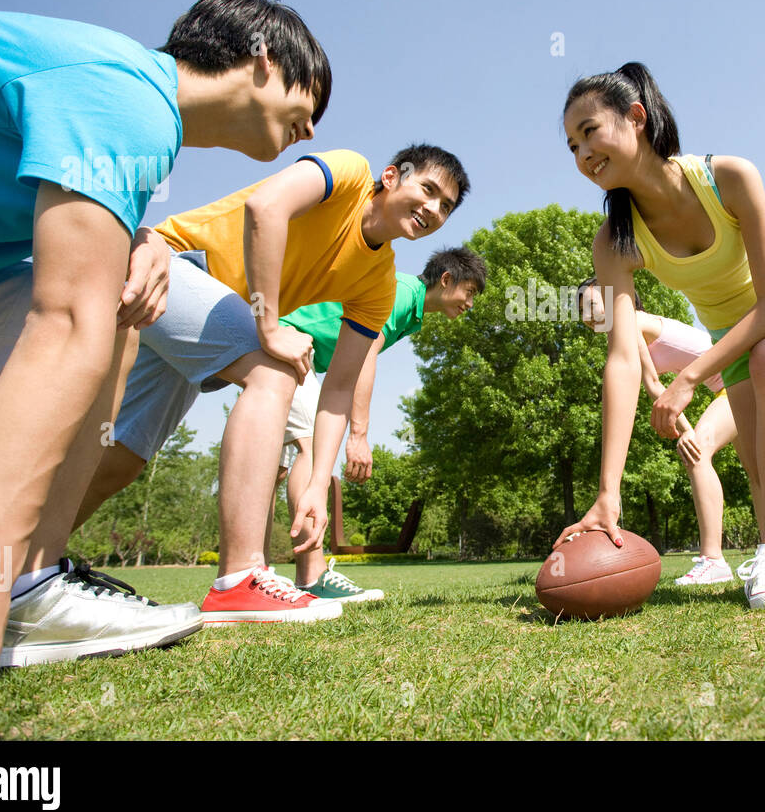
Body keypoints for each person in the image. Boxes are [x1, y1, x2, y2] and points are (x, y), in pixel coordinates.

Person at [0, 0, 330, 739]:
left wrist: (137, 240)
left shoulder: (121, 98)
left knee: (127, 289)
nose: (310, 127)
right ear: (264, 57)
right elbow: (66, 319)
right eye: (311, 99)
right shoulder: (128, 90)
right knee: (98, 302)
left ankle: (31, 583)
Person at [69, 144, 470, 624]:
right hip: (172, 266)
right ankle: (238, 580)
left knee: (123, 458)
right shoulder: (348, 172)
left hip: (201, 321)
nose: (433, 209)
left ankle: (22, 566)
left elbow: (338, 388)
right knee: (276, 368)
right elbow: (266, 207)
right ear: (390, 176)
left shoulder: (379, 283)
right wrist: (269, 324)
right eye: (428, 190)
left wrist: (319, 485)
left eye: (446, 206)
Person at [554, 62, 765, 609]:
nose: (582, 153)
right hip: (733, 333)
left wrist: (688, 378)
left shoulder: (727, 176)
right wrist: (607, 493)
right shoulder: (615, 240)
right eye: (571, 145)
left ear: (636, 118)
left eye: (589, 131)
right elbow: (620, 358)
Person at [575, 277, 765, 586]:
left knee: (699, 453)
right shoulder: (627, 331)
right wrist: (686, 429)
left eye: (590, 305)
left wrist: (686, 432)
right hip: (735, 384)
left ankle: (713, 560)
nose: (586, 316)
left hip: (739, 379)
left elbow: (655, 387)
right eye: (580, 311)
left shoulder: (630, 322)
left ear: (614, 299)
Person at [271, 246, 488, 599]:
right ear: (446, 280)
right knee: (309, 445)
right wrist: (358, 434)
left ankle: (251, 571)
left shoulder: (409, 304)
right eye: (470, 292)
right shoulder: (400, 292)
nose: (470, 303)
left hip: (289, 340)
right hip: (292, 341)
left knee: (275, 466)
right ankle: (311, 576)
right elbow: (364, 355)